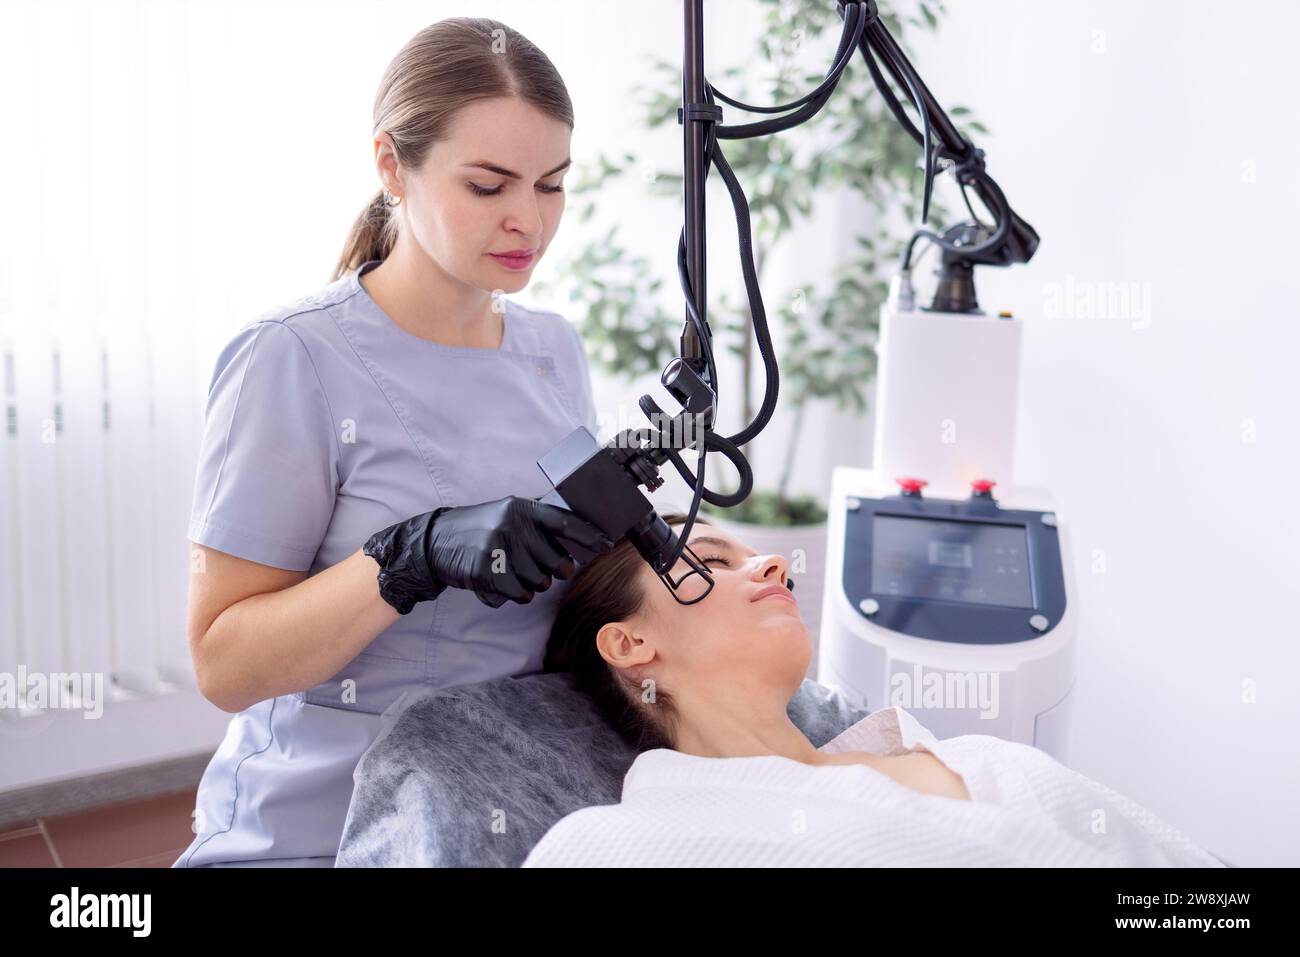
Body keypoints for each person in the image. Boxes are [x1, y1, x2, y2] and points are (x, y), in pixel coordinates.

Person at [175, 17, 613, 867]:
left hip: (509, 796)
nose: (529, 219)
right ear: (391, 166)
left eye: (552, 185)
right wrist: (405, 558)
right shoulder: (293, 357)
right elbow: (224, 666)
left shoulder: (552, 348)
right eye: (488, 186)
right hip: (324, 821)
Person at [526, 515, 1226, 867]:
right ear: (629, 645)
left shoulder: (980, 757)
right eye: (712, 560)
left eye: (757, 555)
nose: (772, 562)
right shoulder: (613, 844)